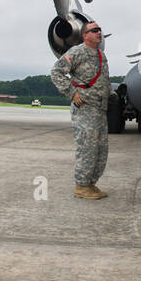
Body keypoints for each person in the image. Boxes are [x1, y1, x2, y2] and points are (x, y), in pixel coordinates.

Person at [50, 22, 111, 200]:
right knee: (87, 148)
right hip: (85, 108)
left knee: (100, 149)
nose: (99, 32)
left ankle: (91, 183)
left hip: (100, 109)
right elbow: (56, 72)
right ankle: (81, 185)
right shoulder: (77, 52)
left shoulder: (101, 55)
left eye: (100, 29)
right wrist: (71, 92)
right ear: (85, 35)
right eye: (95, 30)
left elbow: (103, 80)